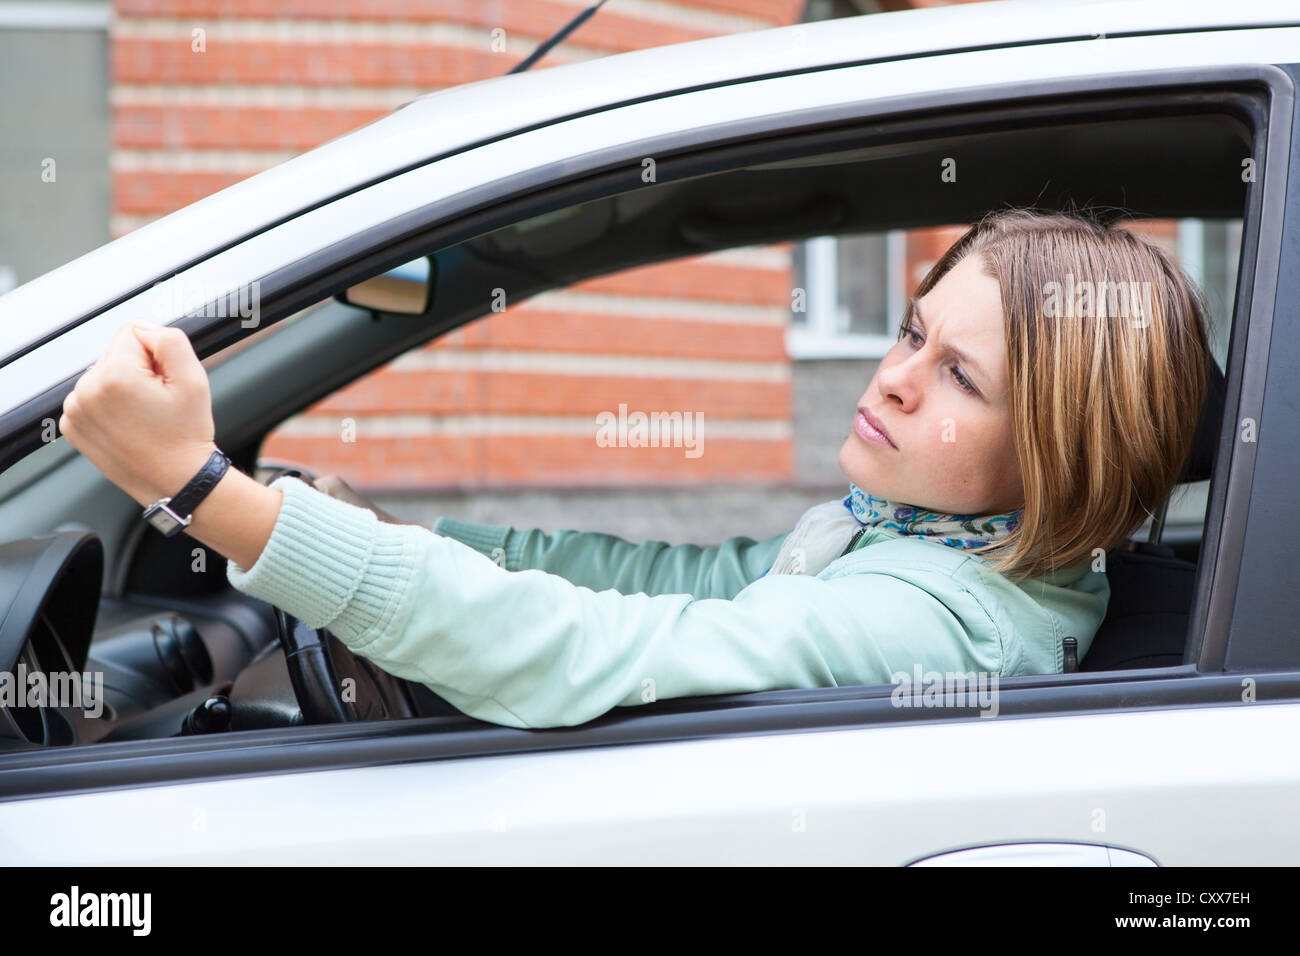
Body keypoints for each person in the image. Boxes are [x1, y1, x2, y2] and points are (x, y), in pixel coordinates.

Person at [58, 207, 1213, 729]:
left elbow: (589, 651)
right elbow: (675, 581)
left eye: (962, 376)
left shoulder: (939, 624)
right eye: (913, 331)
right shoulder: (922, 537)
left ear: (1063, 452)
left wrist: (214, 497)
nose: (898, 374)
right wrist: (407, 537)